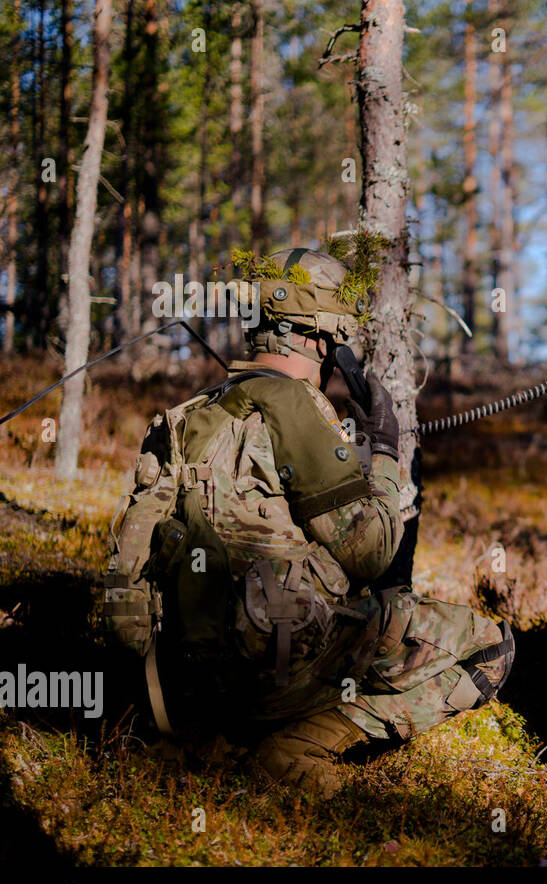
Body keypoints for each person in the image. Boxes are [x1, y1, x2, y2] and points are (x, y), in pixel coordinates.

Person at [102, 247, 514, 796]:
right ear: (322, 339)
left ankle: (216, 737)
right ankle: (300, 743)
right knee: (492, 645)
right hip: (274, 674)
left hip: (184, 679)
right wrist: (386, 452)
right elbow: (370, 551)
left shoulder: (186, 414)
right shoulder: (295, 406)